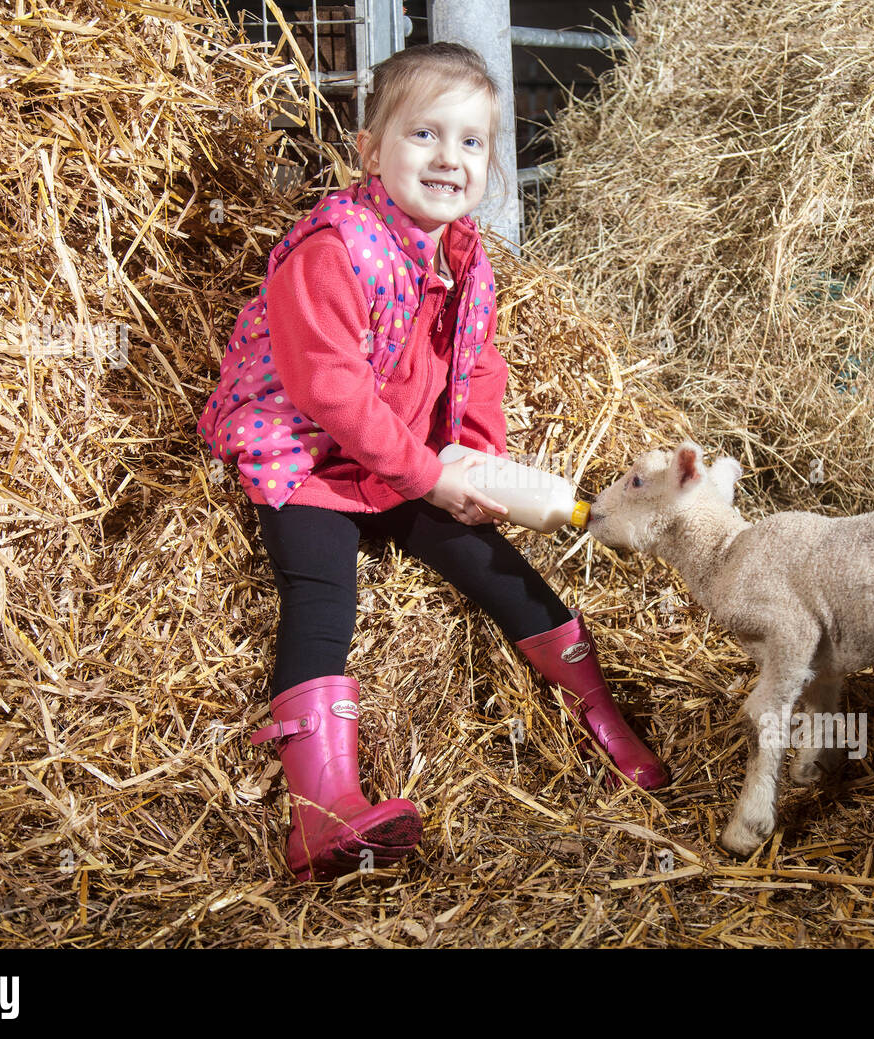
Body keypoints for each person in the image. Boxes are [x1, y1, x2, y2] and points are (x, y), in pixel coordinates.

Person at [197, 42, 667, 883]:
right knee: (320, 591)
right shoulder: (334, 248)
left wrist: (478, 465)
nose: (449, 158)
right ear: (371, 152)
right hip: (308, 458)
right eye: (424, 134)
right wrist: (427, 477)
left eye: (472, 142)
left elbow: (478, 363)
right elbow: (330, 390)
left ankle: (598, 707)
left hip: (406, 455)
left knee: (494, 561)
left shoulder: (464, 255)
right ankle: (323, 810)